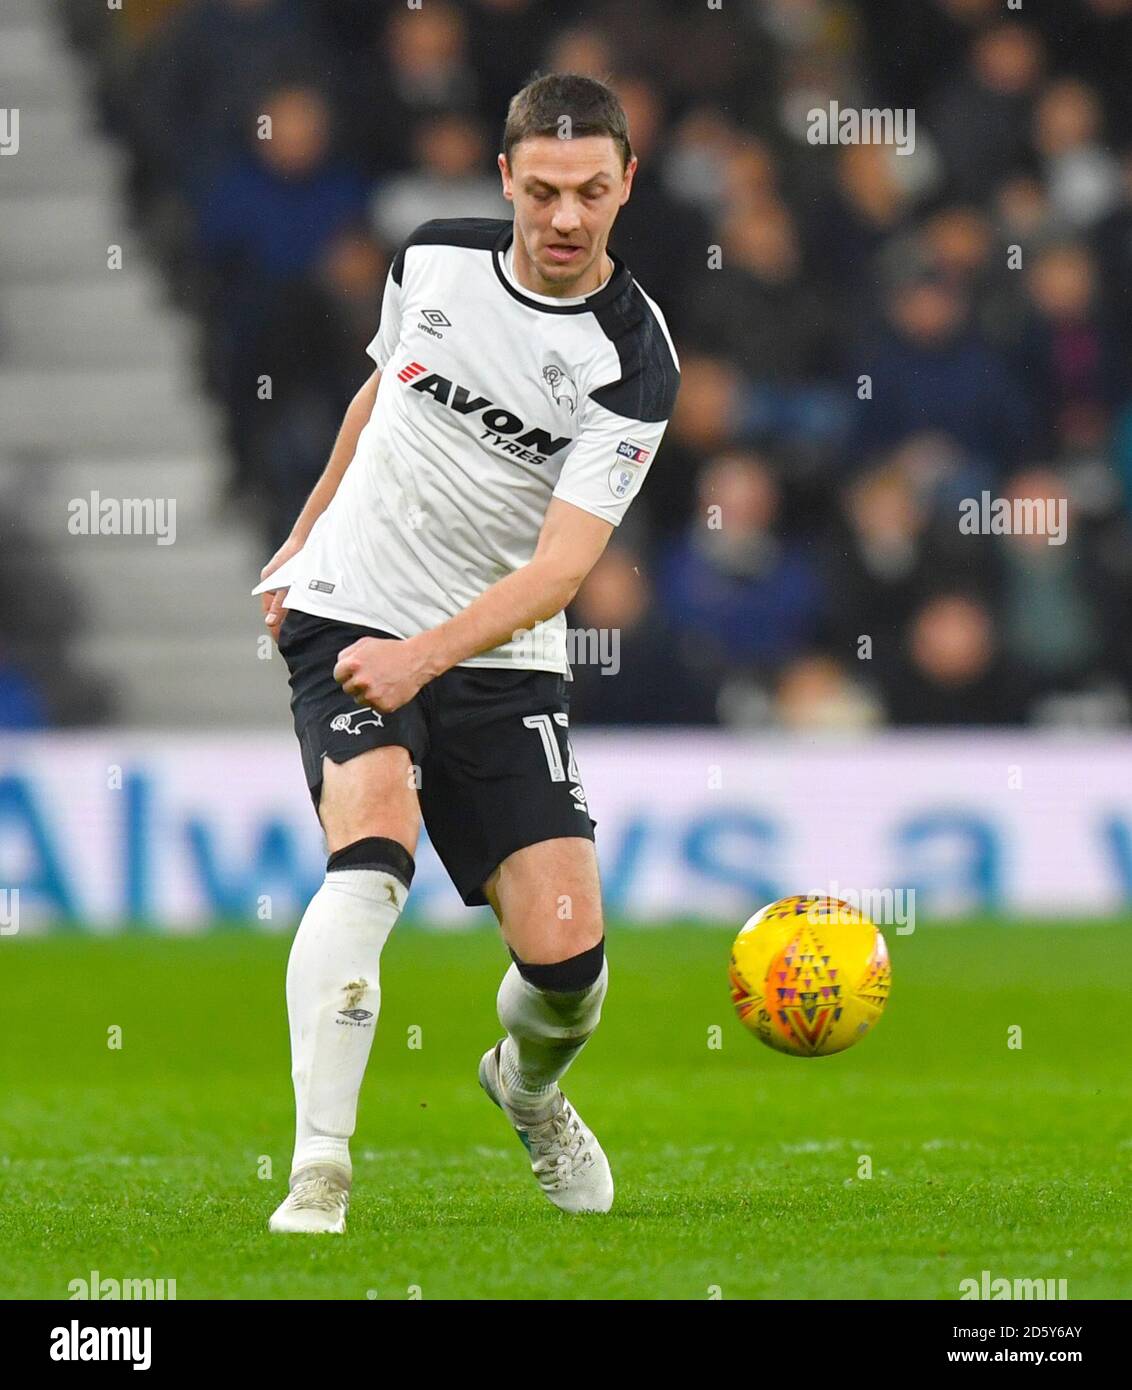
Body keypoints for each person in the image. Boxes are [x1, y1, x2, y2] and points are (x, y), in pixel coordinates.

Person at [252, 73, 680, 1233]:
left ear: (626, 184)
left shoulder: (632, 361)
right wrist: (300, 541)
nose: (564, 219)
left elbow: (558, 571)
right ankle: (319, 1169)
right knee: (371, 853)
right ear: (503, 181)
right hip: (356, 604)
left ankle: (528, 1089)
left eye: (591, 191)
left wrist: (424, 658)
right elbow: (376, 399)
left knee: (568, 966)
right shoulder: (429, 258)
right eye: (541, 190)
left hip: (495, 642)